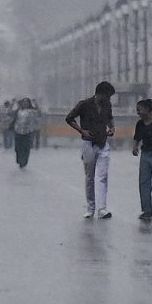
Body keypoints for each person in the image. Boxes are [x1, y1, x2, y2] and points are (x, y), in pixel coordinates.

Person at [64, 81, 117, 220]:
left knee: (103, 176)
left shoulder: (107, 105)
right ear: (100, 94)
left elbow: (110, 118)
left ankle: (102, 208)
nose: (109, 99)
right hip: (88, 143)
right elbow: (69, 118)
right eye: (108, 96)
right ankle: (90, 207)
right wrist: (81, 130)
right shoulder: (84, 104)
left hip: (103, 142)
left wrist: (112, 127)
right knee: (90, 177)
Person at [11, 98, 42, 167]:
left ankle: (24, 161)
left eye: (27, 102)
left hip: (28, 132)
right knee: (18, 148)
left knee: (26, 148)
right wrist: (12, 104)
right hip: (18, 132)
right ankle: (19, 159)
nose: (25, 104)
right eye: (24, 102)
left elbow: (39, 113)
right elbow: (10, 113)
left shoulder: (32, 111)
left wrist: (36, 105)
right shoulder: (18, 111)